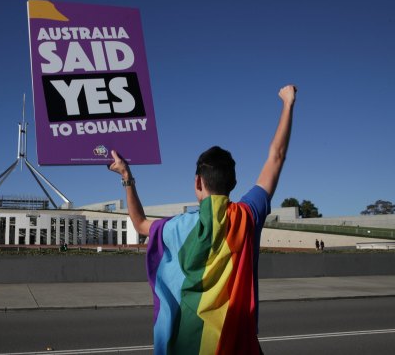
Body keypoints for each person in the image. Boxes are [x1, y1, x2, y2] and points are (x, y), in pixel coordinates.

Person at [108, 85, 296, 354]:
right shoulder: (248, 216)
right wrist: (288, 103)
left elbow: (139, 223)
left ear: (198, 181)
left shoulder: (177, 227)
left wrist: (126, 176)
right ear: (233, 183)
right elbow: (276, 157)